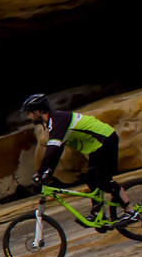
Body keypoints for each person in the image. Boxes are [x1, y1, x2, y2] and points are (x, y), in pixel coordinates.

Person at [19, 93, 134, 222]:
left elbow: (53, 149)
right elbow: (58, 149)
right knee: (91, 178)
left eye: (29, 113)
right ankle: (98, 214)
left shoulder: (58, 120)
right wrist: (49, 171)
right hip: (96, 145)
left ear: (38, 111)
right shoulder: (53, 122)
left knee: (103, 180)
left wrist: (40, 172)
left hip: (105, 139)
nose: (29, 116)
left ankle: (130, 211)